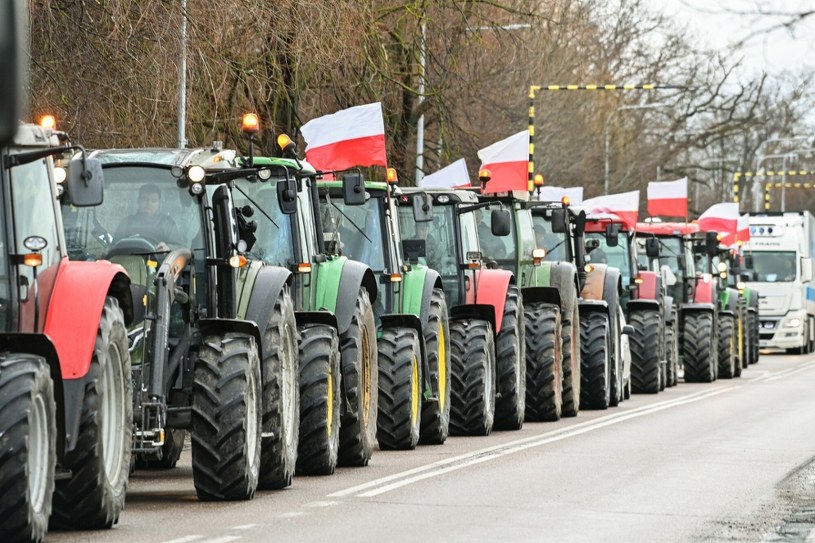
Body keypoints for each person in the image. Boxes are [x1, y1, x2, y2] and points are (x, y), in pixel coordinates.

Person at [114, 184, 181, 250]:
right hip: (129, 259)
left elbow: (179, 248)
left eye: (153, 201)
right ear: (138, 201)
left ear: (159, 203)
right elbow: (114, 247)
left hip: (161, 260)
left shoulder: (167, 224)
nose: (149, 203)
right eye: (144, 199)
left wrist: (168, 248)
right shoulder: (126, 223)